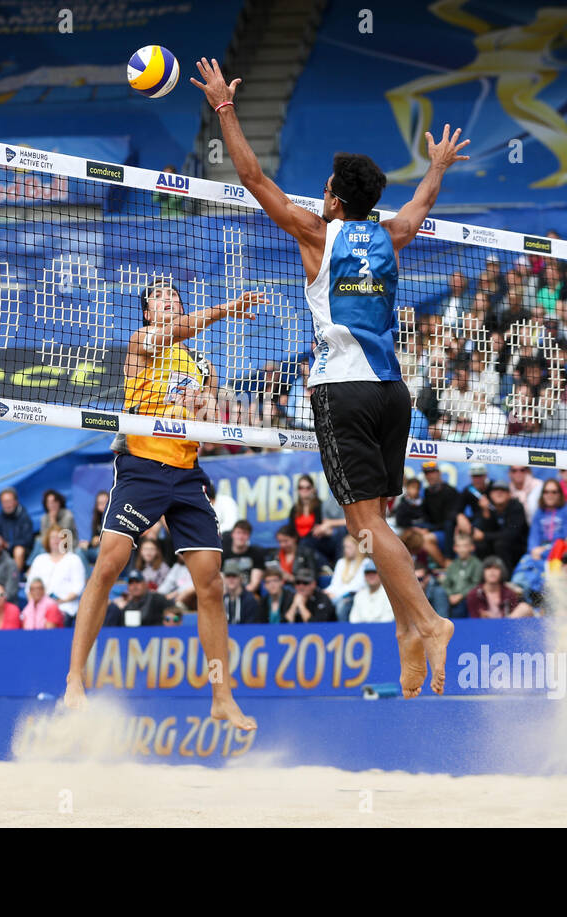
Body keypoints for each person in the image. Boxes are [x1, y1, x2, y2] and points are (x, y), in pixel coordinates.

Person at [198, 56, 460, 694]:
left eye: (326, 186)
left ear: (335, 198)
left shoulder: (317, 232)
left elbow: (252, 175)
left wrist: (224, 108)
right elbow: (420, 203)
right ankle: (405, 632)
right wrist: (437, 167)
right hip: (392, 392)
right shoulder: (392, 232)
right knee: (371, 523)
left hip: (342, 390)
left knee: (366, 527)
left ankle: (428, 622)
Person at [63, 268, 260, 730]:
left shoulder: (201, 365)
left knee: (210, 582)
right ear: (148, 311)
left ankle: (221, 696)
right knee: (109, 563)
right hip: (142, 466)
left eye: (174, 294)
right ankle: (75, 677)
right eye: (160, 297)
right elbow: (180, 329)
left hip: (187, 472)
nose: (169, 299)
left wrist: (201, 405)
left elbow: (205, 414)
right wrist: (229, 308)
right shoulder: (141, 343)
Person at [27, 526, 86, 626]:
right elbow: (29, 587)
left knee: (52, 617)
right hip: (40, 609)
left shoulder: (73, 559)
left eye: (60, 537)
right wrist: (35, 607)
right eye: (53, 537)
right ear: (47, 540)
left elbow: (78, 588)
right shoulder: (39, 559)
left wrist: (61, 601)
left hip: (65, 608)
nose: (56, 540)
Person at [473, 480, 529, 570]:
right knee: (481, 545)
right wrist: (485, 511)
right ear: (490, 494)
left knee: (501, 544)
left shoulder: (516, 506)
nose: (499, 492)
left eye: (503, 490)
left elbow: (511, 534)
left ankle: (507, 578)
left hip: (518, 547)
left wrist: (484, 536)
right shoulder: (488, 507)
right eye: (495, 490)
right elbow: (486, 530)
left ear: (509, 494)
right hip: (497, 543)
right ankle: (484, 575)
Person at [465, 556, 532, 618]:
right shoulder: (474, 594)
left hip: (505, 627)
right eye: (488, 568)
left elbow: (513, 621)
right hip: (482, 627)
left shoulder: (510, 593)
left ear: (502, 572)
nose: (492, 572)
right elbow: (474, 619)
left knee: (524, 607)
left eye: (496, 568)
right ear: (483, 572)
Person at [106, 569, 171, 627]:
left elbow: (174, 612)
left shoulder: (157, 599)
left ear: (145, 584)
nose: (134, 586)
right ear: (128, 587)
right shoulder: (127, 608)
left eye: (137, 582)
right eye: (131, 583)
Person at [324, 534, 367, 621]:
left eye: (349, 547)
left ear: (357, 547)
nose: (345, 550)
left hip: (353, 596)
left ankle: (343, 630)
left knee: (341, 605)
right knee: (322, 602)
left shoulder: (365, 563)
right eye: (344, 547)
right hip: (337, 595)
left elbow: (357, 586)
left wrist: (336, 595)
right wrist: (327, 592)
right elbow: (335, 584)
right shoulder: (341, 562)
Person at [442, 531, 483, 618]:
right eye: (459, 546)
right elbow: (446, 584)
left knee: (460, 608)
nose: (462, 549)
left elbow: (475, 584)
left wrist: (460, 595)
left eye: (465, 546)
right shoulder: (452, 565)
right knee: (440, 596)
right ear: (455, 548)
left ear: (472, 547)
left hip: (466, 597)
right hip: (452, 597)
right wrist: (450, 595)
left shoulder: (477, 564)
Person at [0, 488, 34, 572]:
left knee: (18, 550)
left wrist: (10, 545)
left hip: (23, 552)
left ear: (16, 501)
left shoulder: (24, 516)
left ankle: (14, 578)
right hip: (3, 550)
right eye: (4, 502)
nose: (7, 505)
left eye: (9, 501)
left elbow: (28, 540)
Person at [221, 519, 265, 593]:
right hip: (227, 595)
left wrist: (240, 596)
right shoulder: (223, 555)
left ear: (249, 536)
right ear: (232, 534)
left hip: (249, 596)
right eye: (238, 533)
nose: (241, 537)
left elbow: (254, 584)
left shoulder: (256, 554)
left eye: (244, 533)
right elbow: (221, 582)